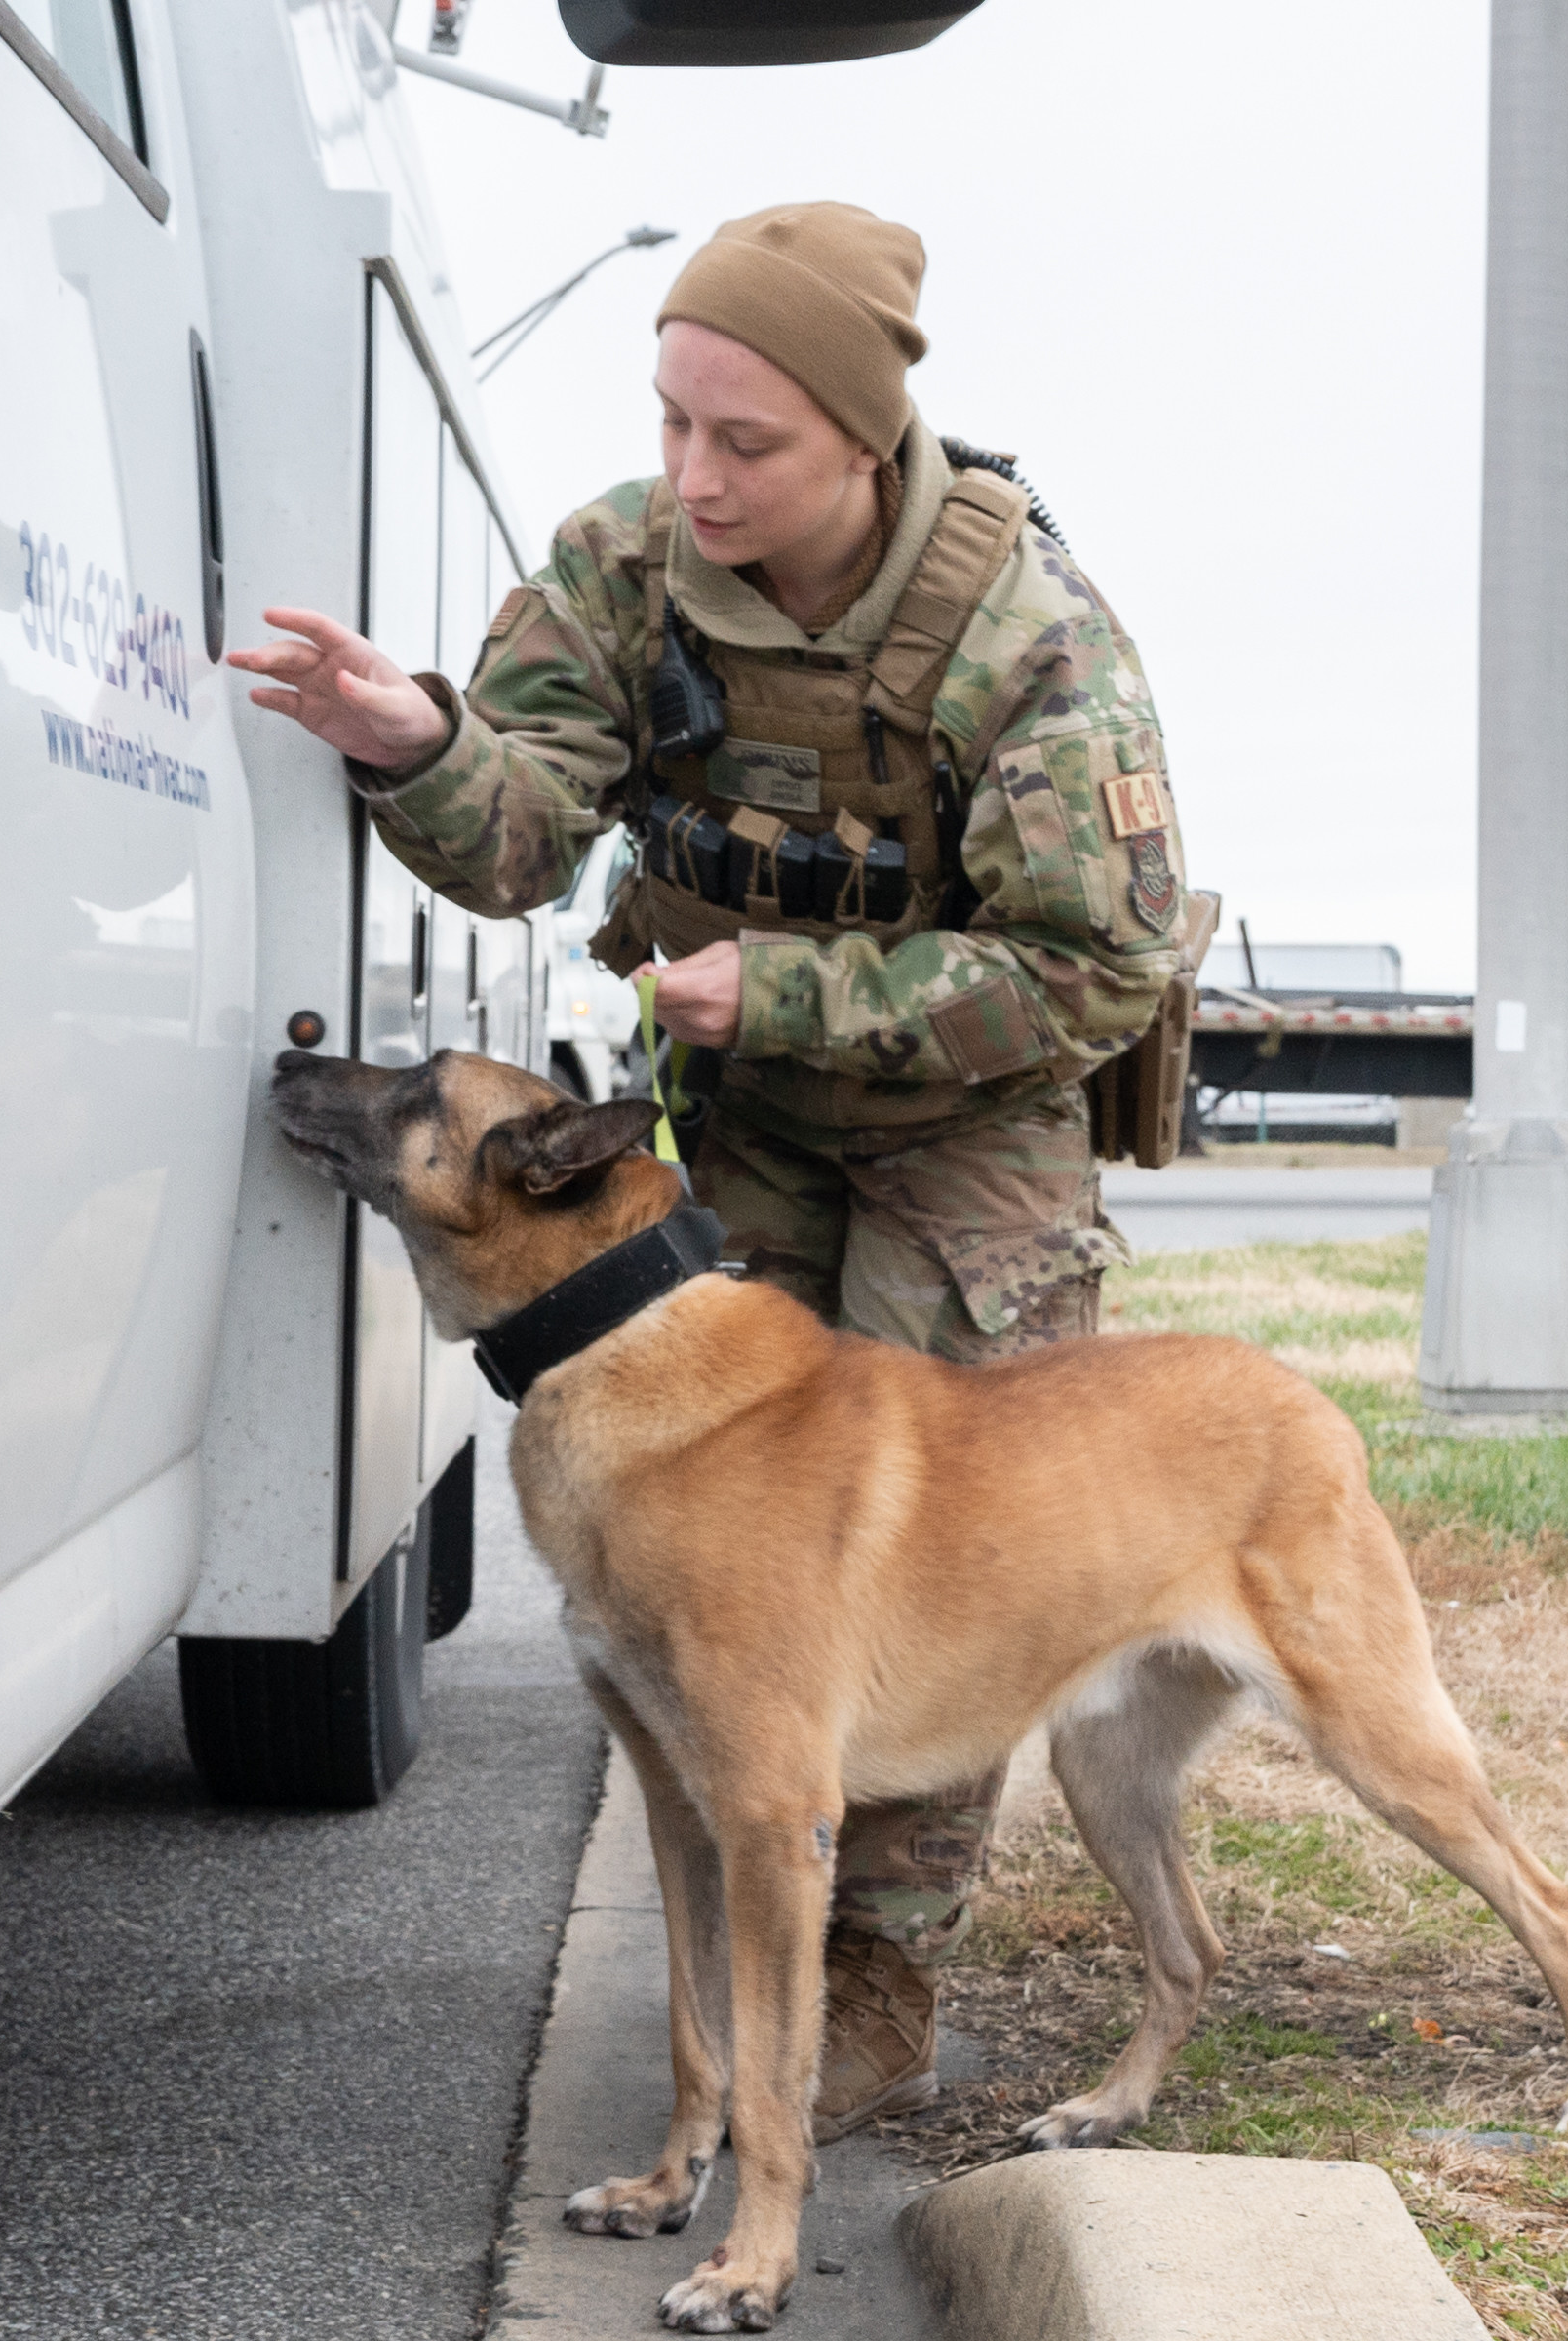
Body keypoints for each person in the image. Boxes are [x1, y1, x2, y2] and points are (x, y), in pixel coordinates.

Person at [229, 202, 1190, 2142]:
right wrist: (417, 743)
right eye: (673, 421)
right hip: (745, 1117)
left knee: (950, 1549)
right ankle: (745, 1960)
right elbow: (518, 840)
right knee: (733, 1556)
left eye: (745, 441)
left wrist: (803, 989)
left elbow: (1096, 970)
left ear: (865, 438)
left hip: (969, 1121)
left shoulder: (1030, 637)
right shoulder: (624, 566)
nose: (695, 476)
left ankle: (870, 1983)